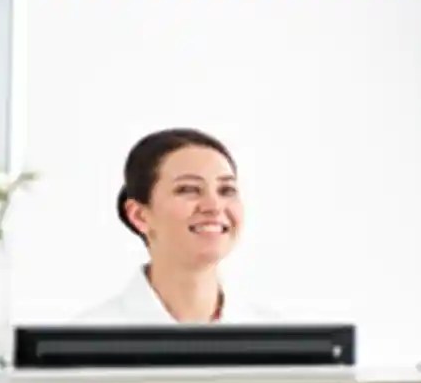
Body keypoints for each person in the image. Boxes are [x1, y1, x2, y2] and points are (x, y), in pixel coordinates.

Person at [74, 128, 273, 324]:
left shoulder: (274, 335)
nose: (213, 206)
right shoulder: (89, 336)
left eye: (227, 190)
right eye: (188, 189)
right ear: (139, 216)